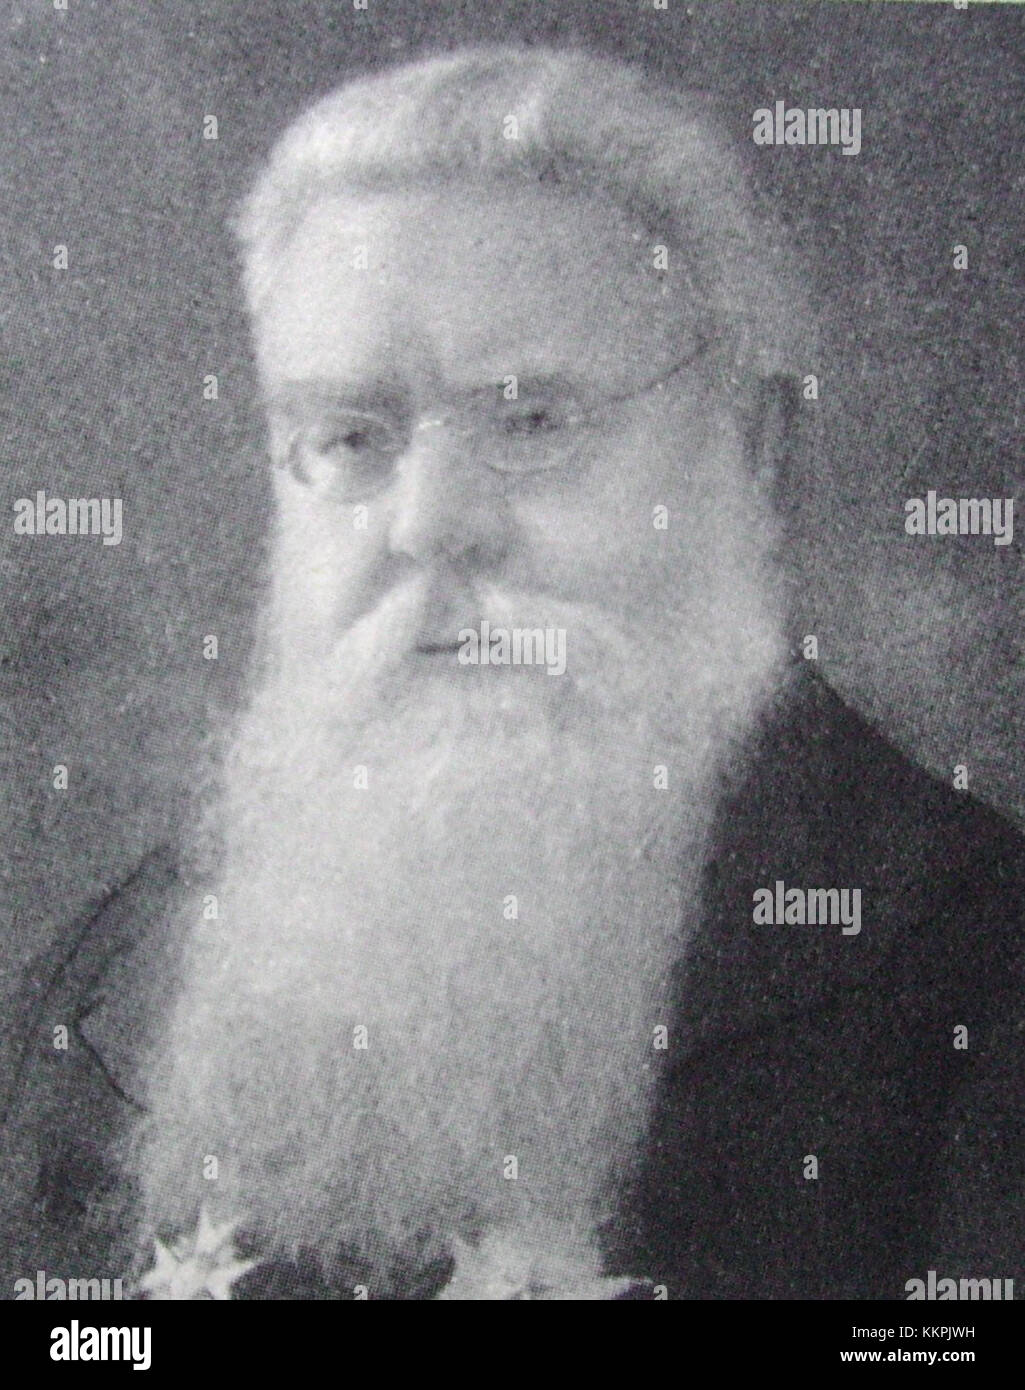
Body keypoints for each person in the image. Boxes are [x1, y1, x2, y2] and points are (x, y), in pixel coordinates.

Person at [3, 45, 1022, 1301]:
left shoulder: (973, 976)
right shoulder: (109, 993)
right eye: (347, 439)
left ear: (750, 447)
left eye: (532, 421)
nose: (431, 522)